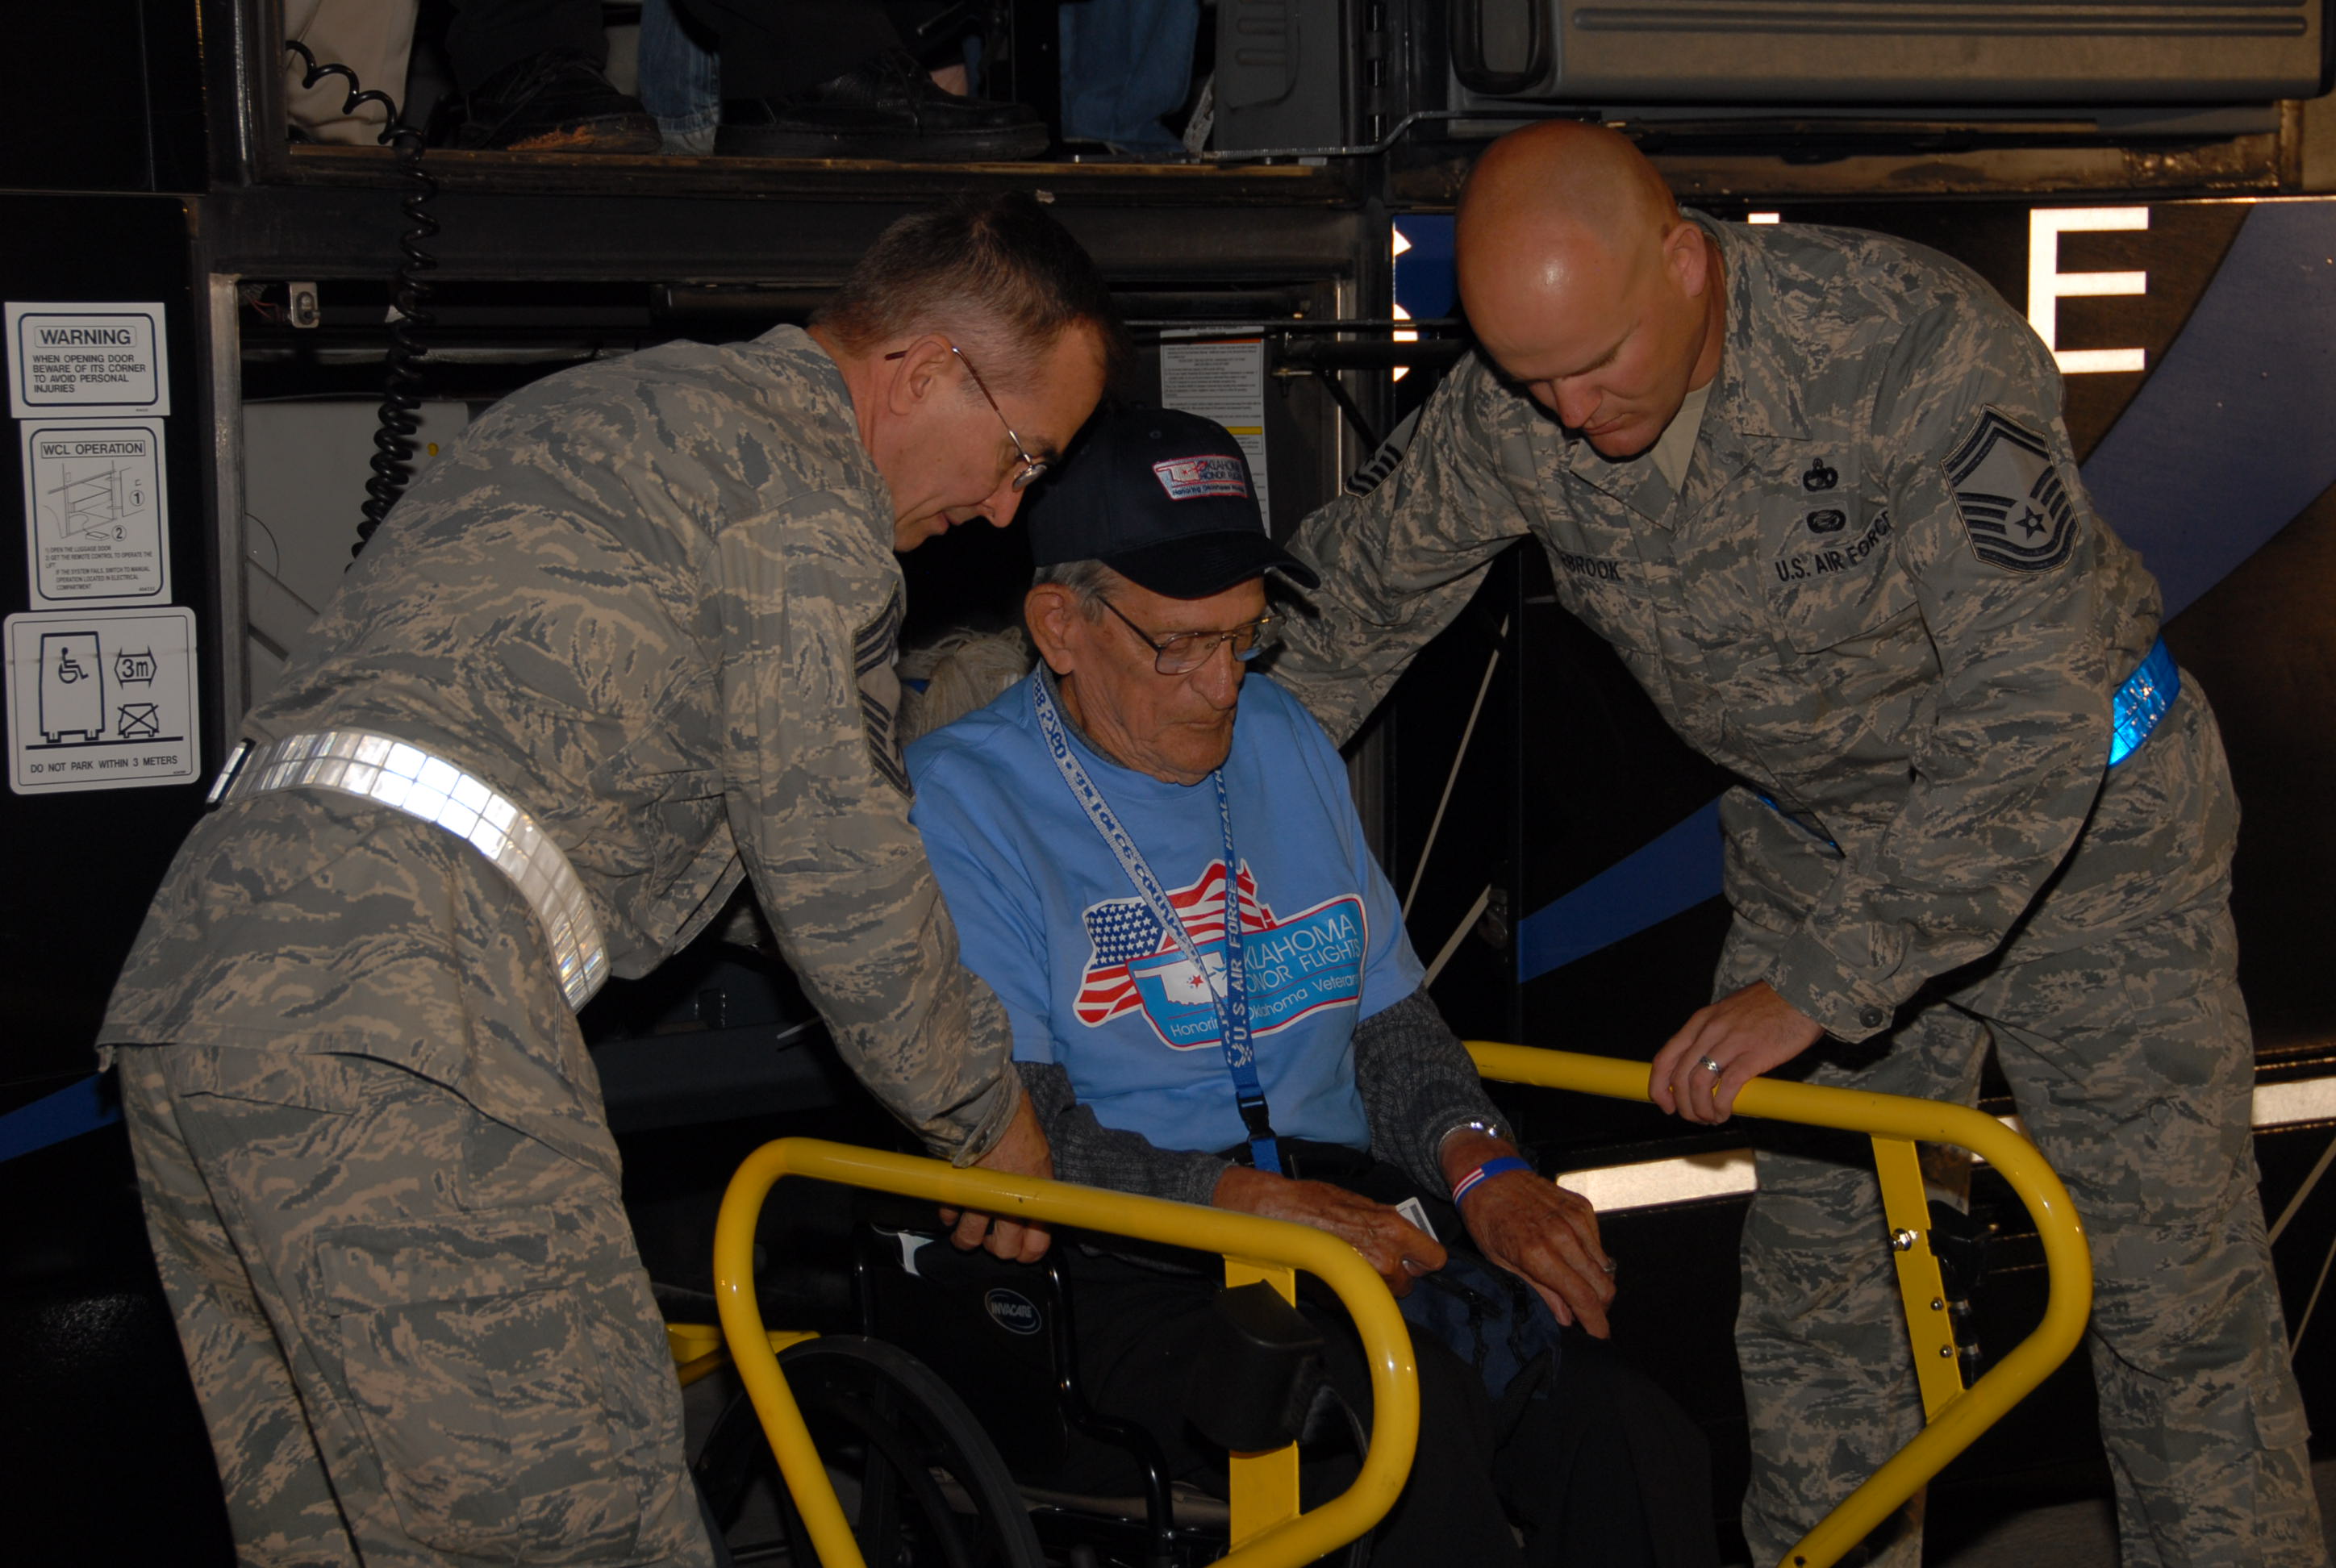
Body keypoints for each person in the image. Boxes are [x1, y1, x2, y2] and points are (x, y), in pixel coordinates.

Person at [1268, 120, 2326, 1566]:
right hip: (1824, 838)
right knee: (1828, 1316)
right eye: (1532, 378)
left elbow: (2034, 706)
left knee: (2171, 1303)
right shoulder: (1515, 402)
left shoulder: (1905, 345)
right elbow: (1342, 620)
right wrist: (1147, 786)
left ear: (1688, 265)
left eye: (1596, 366)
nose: (1567, 412)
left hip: (2093, 839)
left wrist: (1826, 985)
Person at [98, 193, 1116, 1568]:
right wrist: (985, 1113)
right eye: (1020, 456)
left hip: (207, 992)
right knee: (588, 1533)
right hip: (410, 1006)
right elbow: (831, 853)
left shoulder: (621, 414)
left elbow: (709, 826)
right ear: (925, 371)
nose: (1002, 508)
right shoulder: (803, 490)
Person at [906, 406, 1719, 1567]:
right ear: (1060, 626)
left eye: (1246, 635)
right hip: (1131, 1264)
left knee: (1636, 1435)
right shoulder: (966, 801)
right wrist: (1245, 1203)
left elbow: (1390, 1023)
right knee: (1412, 1429)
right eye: (1181, 644)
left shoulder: (1281, 738)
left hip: (1338, 1214)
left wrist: (1482, 1163)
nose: (1223, 686)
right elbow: (1024, 1135)